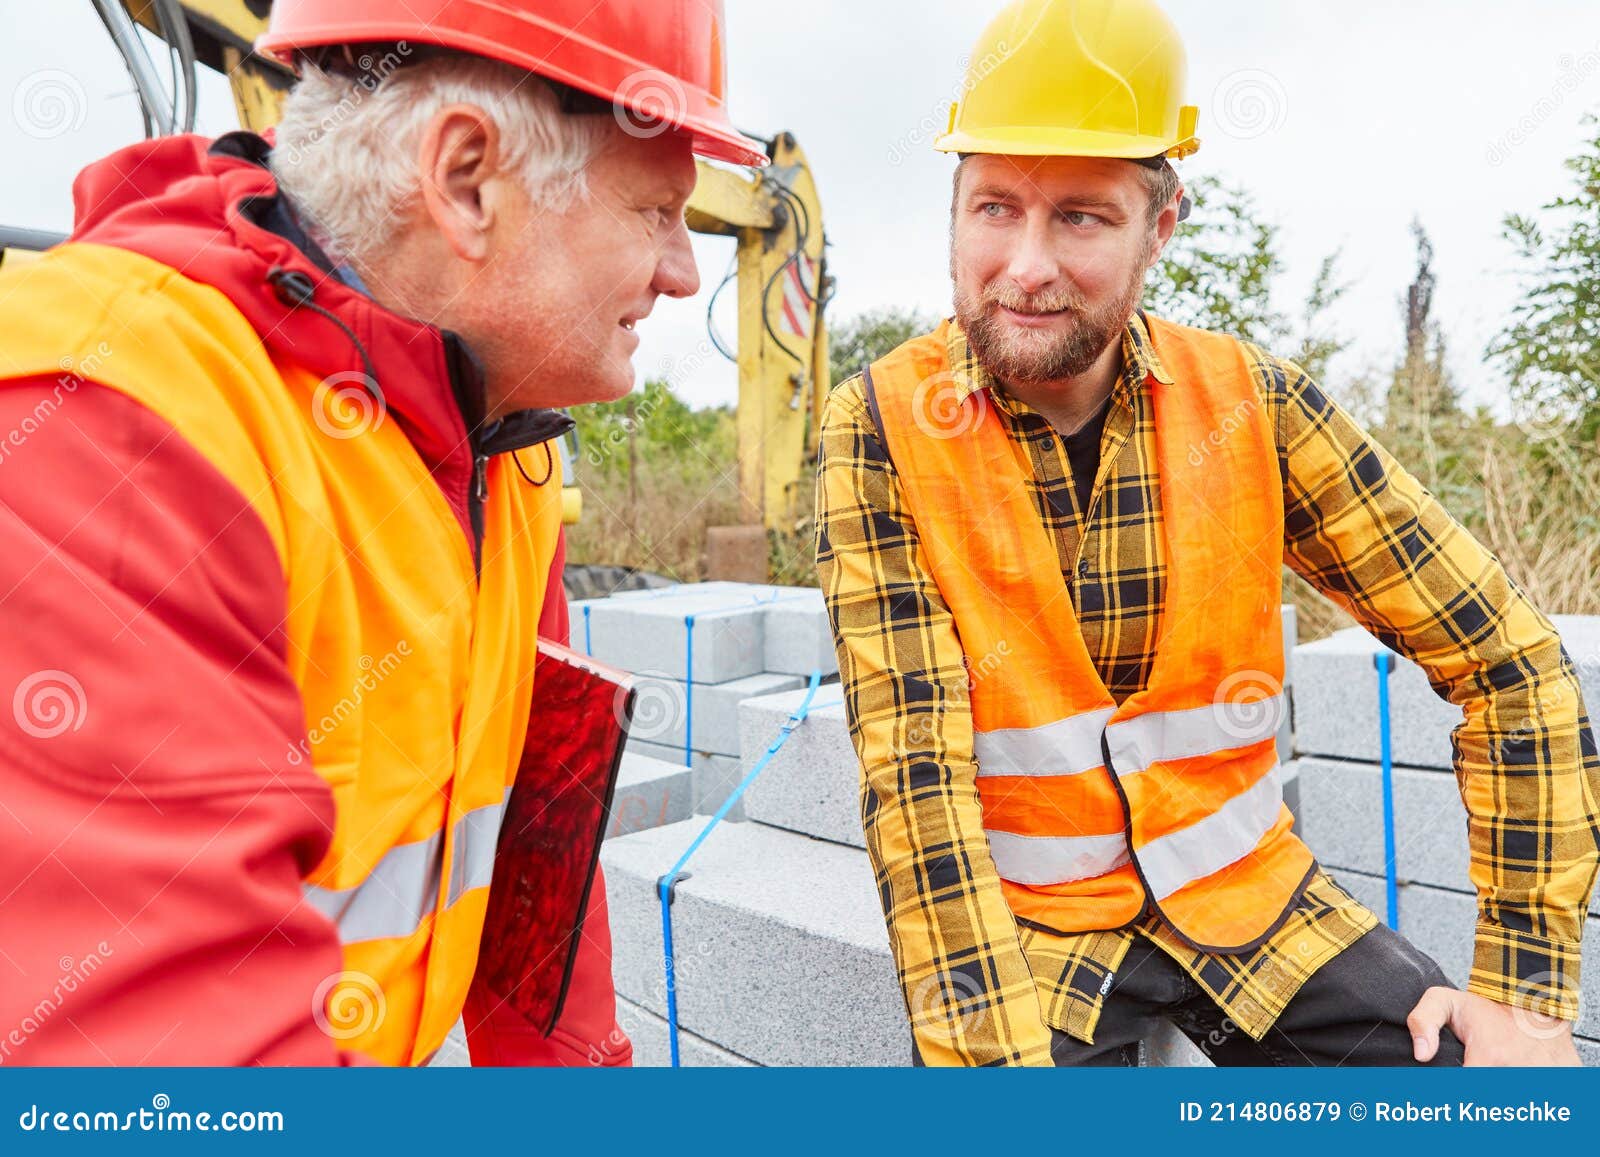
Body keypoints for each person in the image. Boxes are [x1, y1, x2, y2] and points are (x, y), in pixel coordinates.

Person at [814, 0, 1599, 1066]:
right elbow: (916, 780)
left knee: (1490, 1094)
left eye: (1082, 218)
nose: (1027, 265)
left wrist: (1523, 999)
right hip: (1033, 935)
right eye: (994, 207)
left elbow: (1511, 663)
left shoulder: (1252, 404)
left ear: (1160, 227)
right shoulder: (881, 427)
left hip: (1248, 901)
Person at [0, 0, 764, 1066]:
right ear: (464, 180)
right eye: (654, 213)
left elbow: (537, 867)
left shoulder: (504, 445)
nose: (684, 270)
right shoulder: (112, 418)